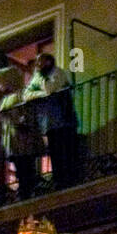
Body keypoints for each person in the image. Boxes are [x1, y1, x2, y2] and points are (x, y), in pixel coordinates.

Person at [23, 53, 80, 188]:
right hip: (49, 123)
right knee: (55, 152)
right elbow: (26, 95)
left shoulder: (57, 72)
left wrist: (39, 91)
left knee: (66, 150)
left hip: (64, 120)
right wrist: (41, 94)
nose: (37, 65)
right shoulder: (38, 76)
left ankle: (70, 178)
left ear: (48, 62)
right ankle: (59, 179)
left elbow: (50, 88)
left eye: (39, 62)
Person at [0, 65, 44, 200]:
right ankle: (24, 189)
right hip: (12, 136)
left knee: (26, 164)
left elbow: (28, 114)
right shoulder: (6, 98)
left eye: (0, 81)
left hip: (22, 136)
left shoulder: (23, 94)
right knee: (19, 164)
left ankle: (27, 189)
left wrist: (19, 121)